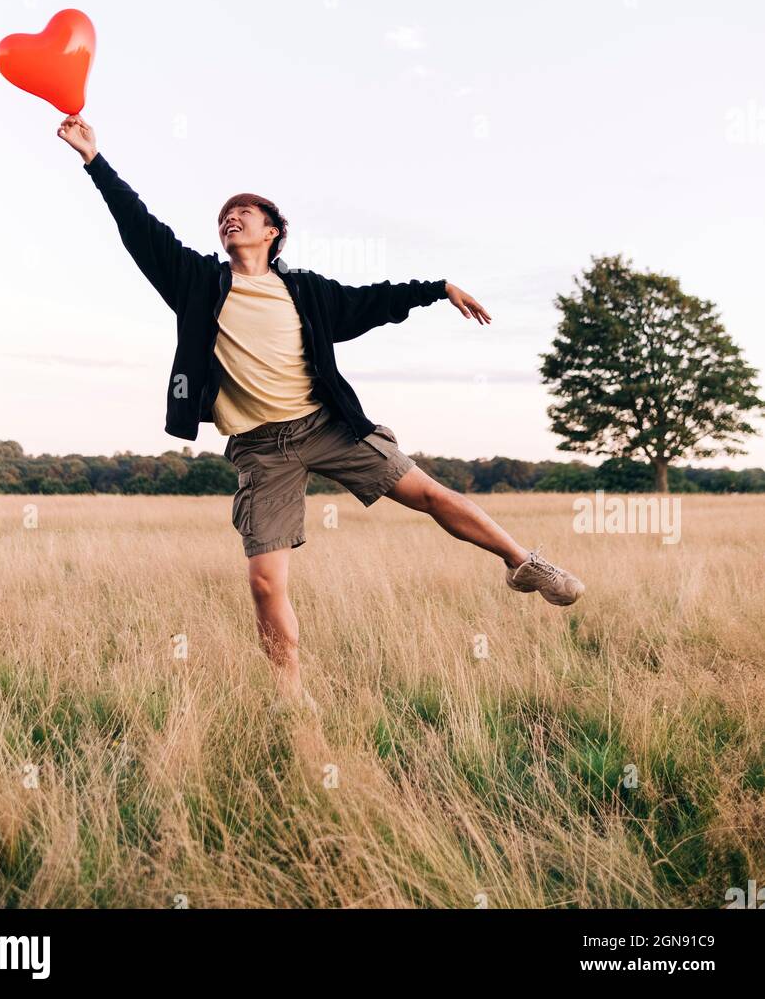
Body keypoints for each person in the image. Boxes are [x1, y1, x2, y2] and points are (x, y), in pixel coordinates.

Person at [58, 114, 584, 711]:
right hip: (261, 449)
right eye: (224, 216)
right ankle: (290, 696)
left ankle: (524, 562)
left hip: (326, 426)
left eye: (245, 212)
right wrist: (94, 162)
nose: (231, 218)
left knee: (431, 495)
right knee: (263, 581)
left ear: (274, 232)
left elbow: (372, 300)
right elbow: (141, 229)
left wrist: (437, 288)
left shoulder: (305, 292)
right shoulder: (197, 282)